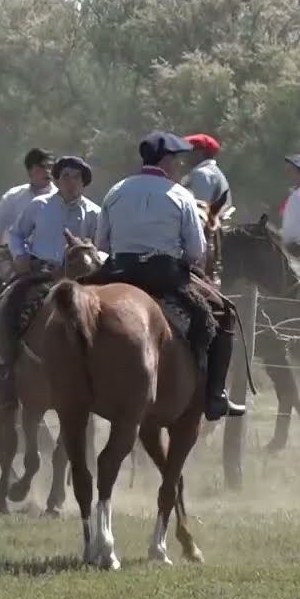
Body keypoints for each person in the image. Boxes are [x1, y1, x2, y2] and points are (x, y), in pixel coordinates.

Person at [84, 130, 246, 421]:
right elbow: (196, 251)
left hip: (117, 270)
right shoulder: (181, 195)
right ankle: (214, 396)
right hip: (163, 274)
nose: (179, 165)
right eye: (176, 159)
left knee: (65, 301)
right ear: (166, 160)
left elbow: (101, 245)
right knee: (223, 312)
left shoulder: (116, 190)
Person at [0, 156, 101, 407]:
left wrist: (92, 256)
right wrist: (19, 256)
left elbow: (104, 247)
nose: (70, 182)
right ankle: (7, 372)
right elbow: (16, 234)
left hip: (81, 280)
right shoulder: (38, 205)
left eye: (76, 177)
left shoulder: (95, 213)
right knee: (7, 307)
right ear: (57, 180)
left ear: (83, 182)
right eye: (65, 176)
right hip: (40, 274)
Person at [0, 148, 56, 253]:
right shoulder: (14, 195)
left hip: (49, 259)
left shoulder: (62, 198)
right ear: (30, 170)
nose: (48, 171)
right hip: (11, 257)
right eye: (42, 167)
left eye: (50, 167)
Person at [180, 133, 231, 207]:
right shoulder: (213, 173)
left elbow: (198, 208)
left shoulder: (203, 174)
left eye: (189, 151)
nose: (185, 155)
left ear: (200, 153)